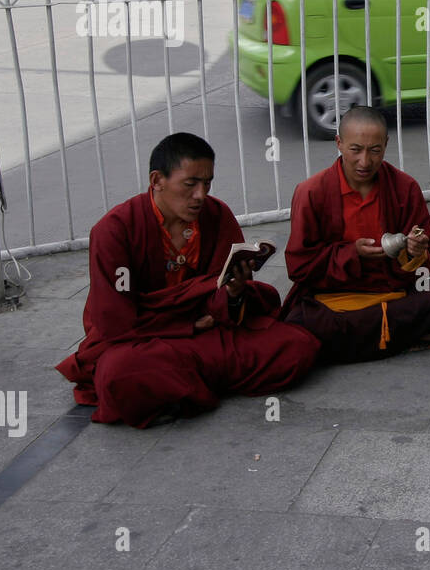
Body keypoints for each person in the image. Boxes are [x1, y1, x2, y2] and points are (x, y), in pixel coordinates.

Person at [56, 133, 319, 428]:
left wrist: (233, 293)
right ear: (157, 180)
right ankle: (194, 381)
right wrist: (187, 325)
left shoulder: (216, 215)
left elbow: (219, 299)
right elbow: (115, 322)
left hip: (207, 335)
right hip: (146, 340)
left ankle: (180, 387)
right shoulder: (115, 231)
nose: (200, 195)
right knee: (118, 372)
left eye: (207, 183)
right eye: (190, 184)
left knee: (297, 346)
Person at [280, 106, 430, 363]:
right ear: (339, 143)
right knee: (301, 324)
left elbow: (423, 265)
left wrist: (414, 253)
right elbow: (299, 267)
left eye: (375, 150)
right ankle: (403, 336)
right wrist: (352, 254)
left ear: (386, 144)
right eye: (355, 150)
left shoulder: (404, 188)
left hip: (393, 297)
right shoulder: (311, 192)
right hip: (336, 302)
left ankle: (374, 340)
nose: (365, 162)